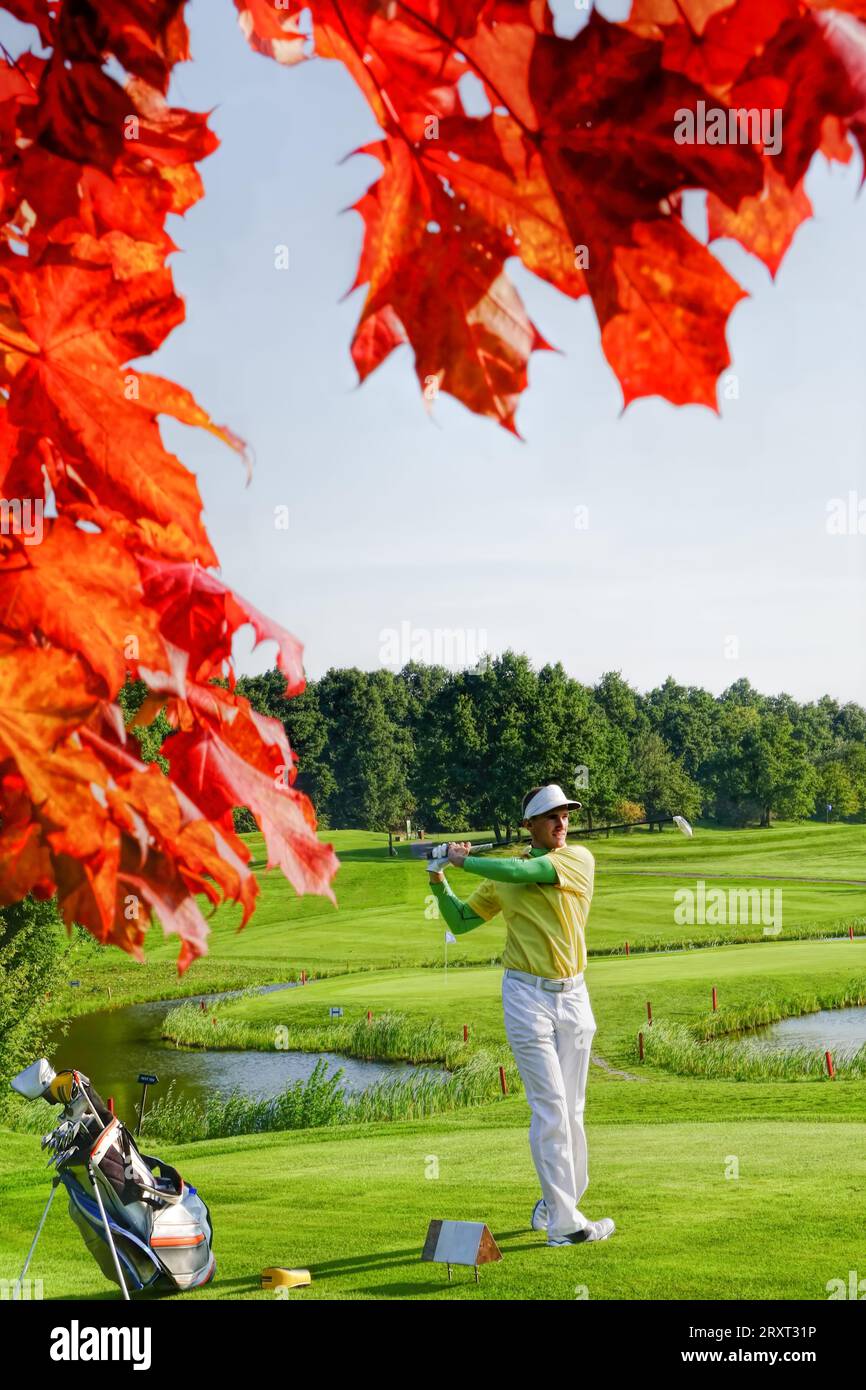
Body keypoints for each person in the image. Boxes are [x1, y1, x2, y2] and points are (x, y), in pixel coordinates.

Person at [426, 783, 614, 1247]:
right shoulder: (507, 878)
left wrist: (462, 860)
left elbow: (520, 868)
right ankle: (566, 1226)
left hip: (574, 996)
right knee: (550, 1108)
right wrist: (438, 878)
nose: (562, 821)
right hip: (525, 997)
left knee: (573, 1110)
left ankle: (557, 1203)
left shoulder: (576, 859)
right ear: (529, 824)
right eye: (551, 815)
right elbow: (463, 921)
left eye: (566, 813)